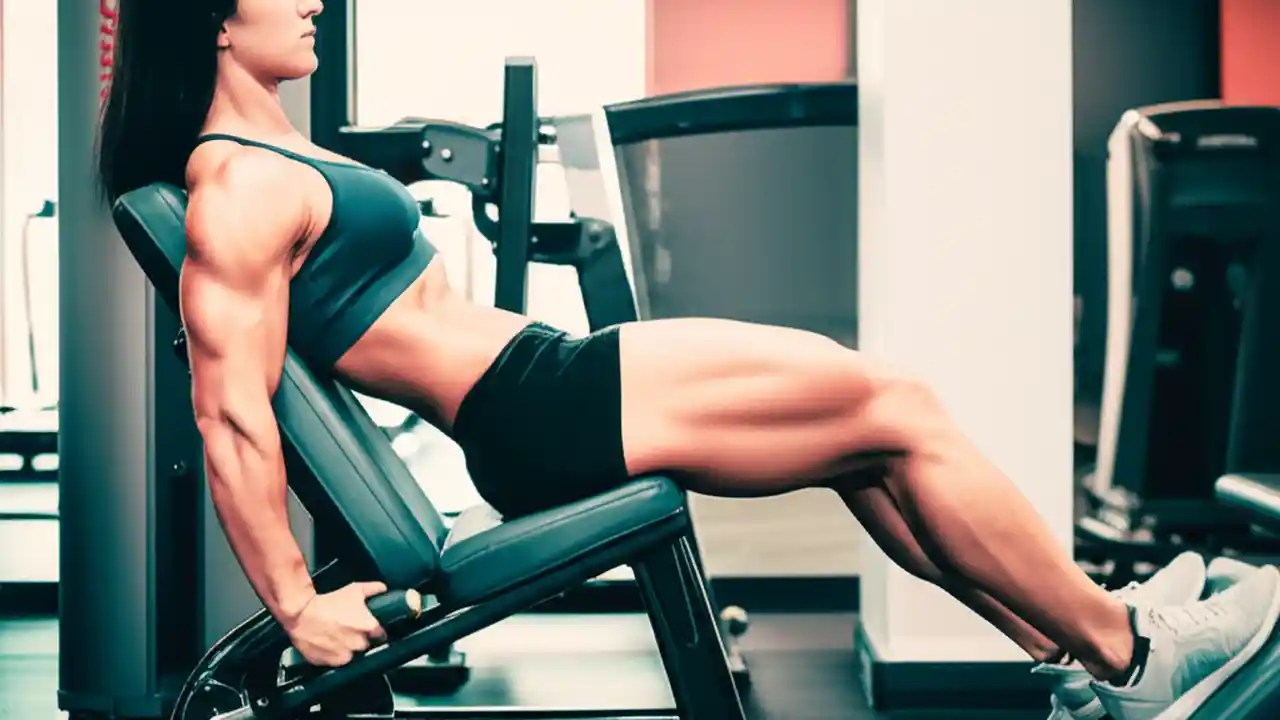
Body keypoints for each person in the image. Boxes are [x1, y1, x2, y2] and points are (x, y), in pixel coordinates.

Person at [96, 2, 1280, 718]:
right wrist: (295, 606)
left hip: (544, 383)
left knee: (869, 447)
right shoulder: (236, 185)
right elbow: (231, 416)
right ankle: (1129, 651)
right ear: (211, 15)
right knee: (899, 405)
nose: (309, 3)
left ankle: (1072, 655)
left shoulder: (267, 150)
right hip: (532, 406)